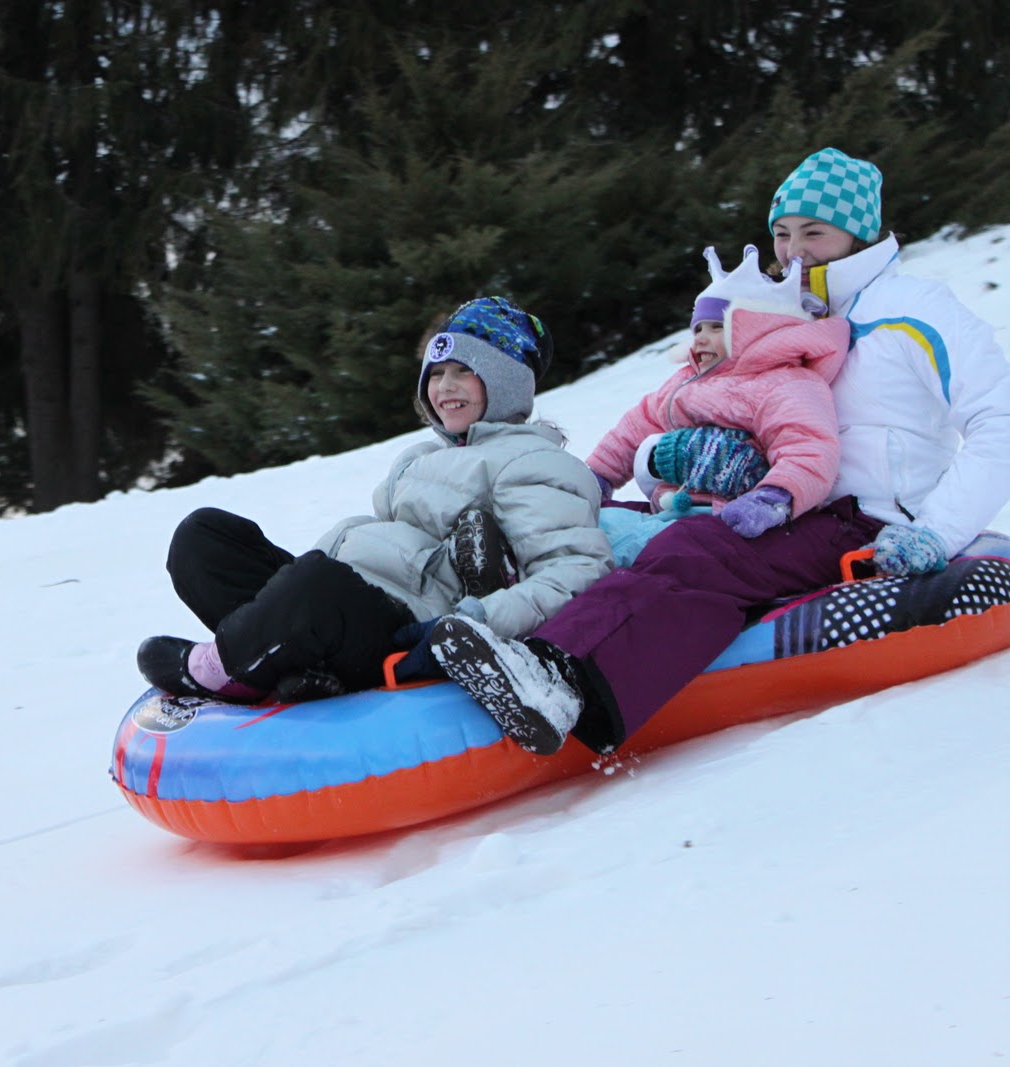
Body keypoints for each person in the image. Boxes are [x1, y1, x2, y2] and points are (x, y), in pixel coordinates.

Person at [420, 146, 1010, 756]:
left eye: (814, 232)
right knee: (612, 529)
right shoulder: (782, 313)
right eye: (781, 233)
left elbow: (999, 419)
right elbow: (710, 404)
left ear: (859, 235)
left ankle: (562, 681)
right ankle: (482, 626)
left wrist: (936, 532)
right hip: (778, 502)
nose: (793, 250)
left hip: (864, 517)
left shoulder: (914, 311)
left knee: (697, 552)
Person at [137, 296, 613, 705]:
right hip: (348, 603)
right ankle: (296, 670)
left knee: (316, 584)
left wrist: (476, 621)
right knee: (206, 536)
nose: (444, 387)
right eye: (437, 372)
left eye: (464, 372)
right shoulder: (421, 456)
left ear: (507, 384)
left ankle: (230, 668)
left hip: (404, 632)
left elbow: (573, 572)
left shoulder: (536, 462)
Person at [589, 244, 849, 565]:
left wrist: (773, 498)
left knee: (634, 556)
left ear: (755, 332)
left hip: (733, 520)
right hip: (676, 508)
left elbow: (808, 447)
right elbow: (635, 427)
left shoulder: (785, 383)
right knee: (594, 531)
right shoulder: (686, 382)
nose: (700, 338)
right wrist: (597, 476)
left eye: (716, 327)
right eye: (697, 328)